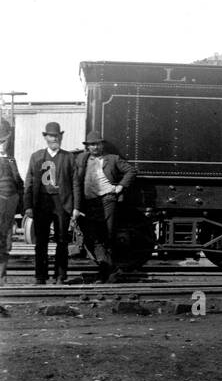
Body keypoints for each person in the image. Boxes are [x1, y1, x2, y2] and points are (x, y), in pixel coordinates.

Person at [74, 130, 137, 282]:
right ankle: (110, 270)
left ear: (101, 145)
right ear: (87, 147)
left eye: (96, 144)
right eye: (91, 145)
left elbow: (131, 171)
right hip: (89, 202)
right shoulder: (82, 159)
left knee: (106, 235)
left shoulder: (112, 159)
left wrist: (120, 186)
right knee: (91, 236)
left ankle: (107, 273)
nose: (94, 148)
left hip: (107, 199)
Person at [23, 122, 78, 284]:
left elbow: (75, 183)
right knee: (41, 241)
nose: (54, 138)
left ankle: (60, 275)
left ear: (61, 137)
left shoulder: (68, 157)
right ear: (45, 137)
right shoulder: (37, 156)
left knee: (62, 240)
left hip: (62, 202)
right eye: (51, 135)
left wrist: (76, 207)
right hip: (42, 202)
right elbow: (29, 182)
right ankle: (40, 276)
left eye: (57, 135)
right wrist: (28, 206)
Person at [0, 121, 22, 285]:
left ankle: (1, 278)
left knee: (6, 242)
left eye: (4, 140)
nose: (3, 143)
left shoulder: (11, 160)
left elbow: (18, 183)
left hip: (9, 207)